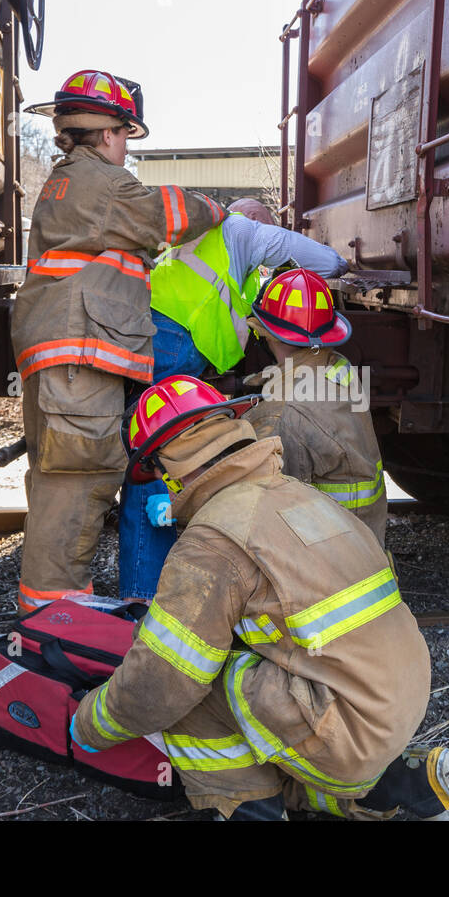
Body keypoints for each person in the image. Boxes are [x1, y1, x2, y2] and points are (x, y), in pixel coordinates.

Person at [72, 374, 449, 820]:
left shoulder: (214, 540)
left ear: (168, 468)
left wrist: (89, 723)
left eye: (154, 471)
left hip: (347, 728)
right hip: (395, 703)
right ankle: (407, 787)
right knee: (258, 700)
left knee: (193, 693)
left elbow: (162, 682)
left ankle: (249, 812)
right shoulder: (296, 495)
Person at [11, 69, 226, 614]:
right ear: (107, 132)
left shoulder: (68, 181)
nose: (127, 147)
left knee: (60, 481)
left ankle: (51, 614)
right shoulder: (103, 184)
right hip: (77, 356)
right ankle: (56, 624)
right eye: (126, 135)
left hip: (63, 355)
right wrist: (222, 209)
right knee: (79, 481)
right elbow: (169, 215)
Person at [118, 199, 349, 599]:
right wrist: (345, 266)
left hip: (159, 335)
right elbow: (319, 259)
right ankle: (143, 596)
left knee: (158, 456)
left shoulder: (202, 242)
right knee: (159, 461)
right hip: (174, 343)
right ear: (254, 217)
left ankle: (150, 583)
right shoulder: (241, 228)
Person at [245, 268, 388, 545]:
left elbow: (266, 503)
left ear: (267, 333)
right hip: (365, 540)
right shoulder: (338, 366)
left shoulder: (284, 413)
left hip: (329, 555)